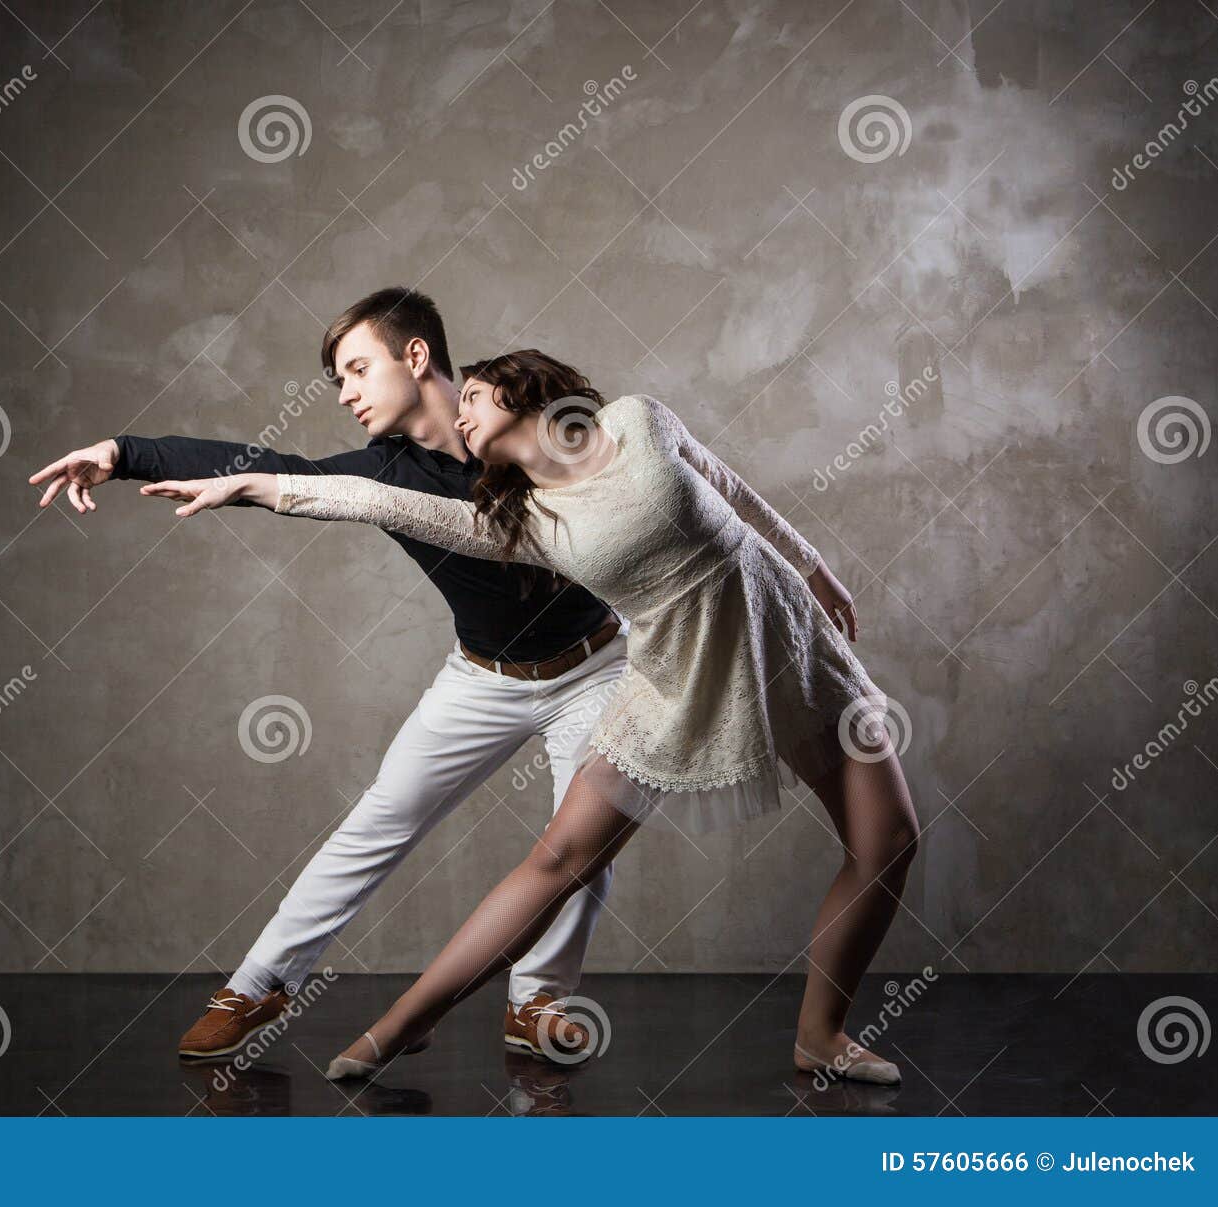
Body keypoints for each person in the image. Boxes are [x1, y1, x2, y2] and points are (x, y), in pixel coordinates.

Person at [142, 349, 921, 1085]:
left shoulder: (638, 420)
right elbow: (374, 499)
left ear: (520, 391)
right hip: (672, 682)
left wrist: (814, 568)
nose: (462, 415)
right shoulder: (526, 526)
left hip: (784, 633)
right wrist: (249, 487)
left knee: (888, 840)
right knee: (560, 859)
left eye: (473, 396)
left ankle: (822, 1036)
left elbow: (735, 489)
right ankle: (402, 1023)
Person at [29, 291, 627, 1063]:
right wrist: (121, 452)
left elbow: (644, 483)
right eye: (336, 378)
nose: (344, 392)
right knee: (376, 824)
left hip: (597, 665)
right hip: (483, 677)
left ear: (416, 358)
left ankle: (535, 995)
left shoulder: (515, 405)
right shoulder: (382, 470)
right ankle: (259, 983)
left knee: (585, 837)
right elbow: (274, 471)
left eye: (355, 369)